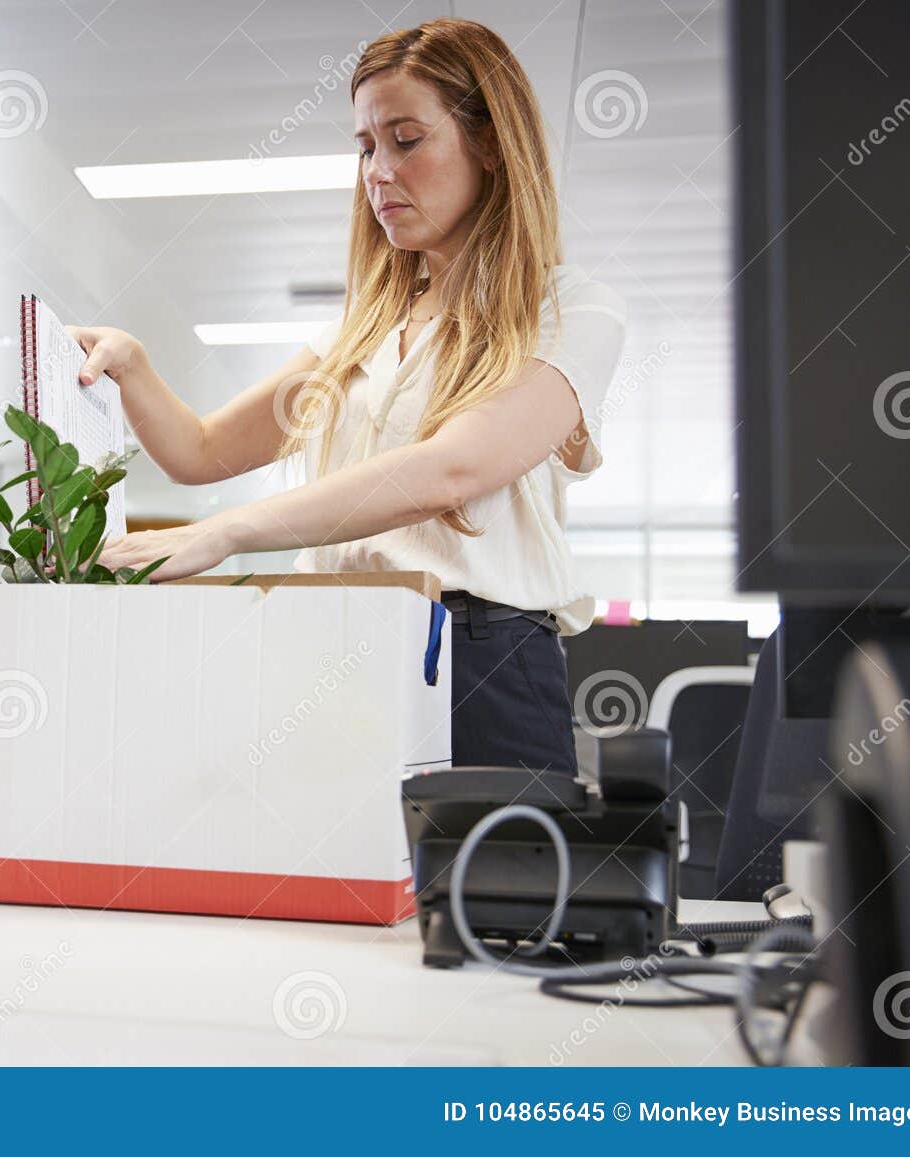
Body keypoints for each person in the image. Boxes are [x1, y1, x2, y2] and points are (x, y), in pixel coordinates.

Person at [73, 19, 627, 773]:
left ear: (491, 144)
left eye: (406, 139)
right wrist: (133, 367)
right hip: (332, 651)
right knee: (323, 888)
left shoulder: (568, 311)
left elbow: (455, 468)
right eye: (366, 146)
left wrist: (227, 533)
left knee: (483, 892)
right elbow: (200, 452)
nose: (378, 171)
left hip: (480, 663)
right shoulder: (360, 333)